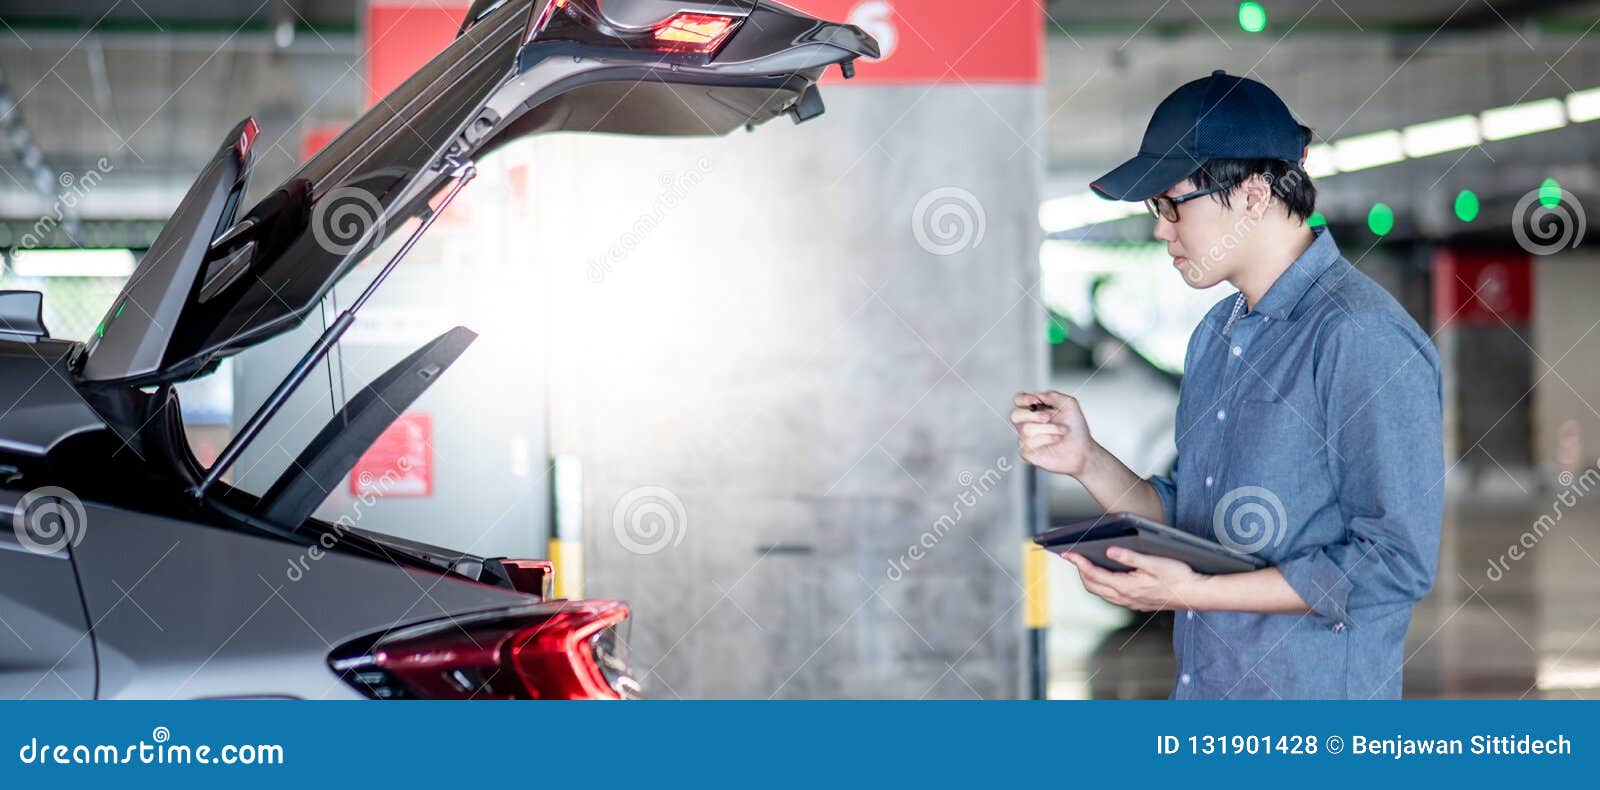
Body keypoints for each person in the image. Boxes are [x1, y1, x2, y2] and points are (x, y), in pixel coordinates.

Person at [1012, 70, 1443, 699]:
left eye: (1170, 204)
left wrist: (1193, 593)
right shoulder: (1218, 332)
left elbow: (1393, 564)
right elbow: (1191, 522)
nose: (1161, 229)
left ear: (1251, 196)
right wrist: (1085, 458)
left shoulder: (1359, 335)